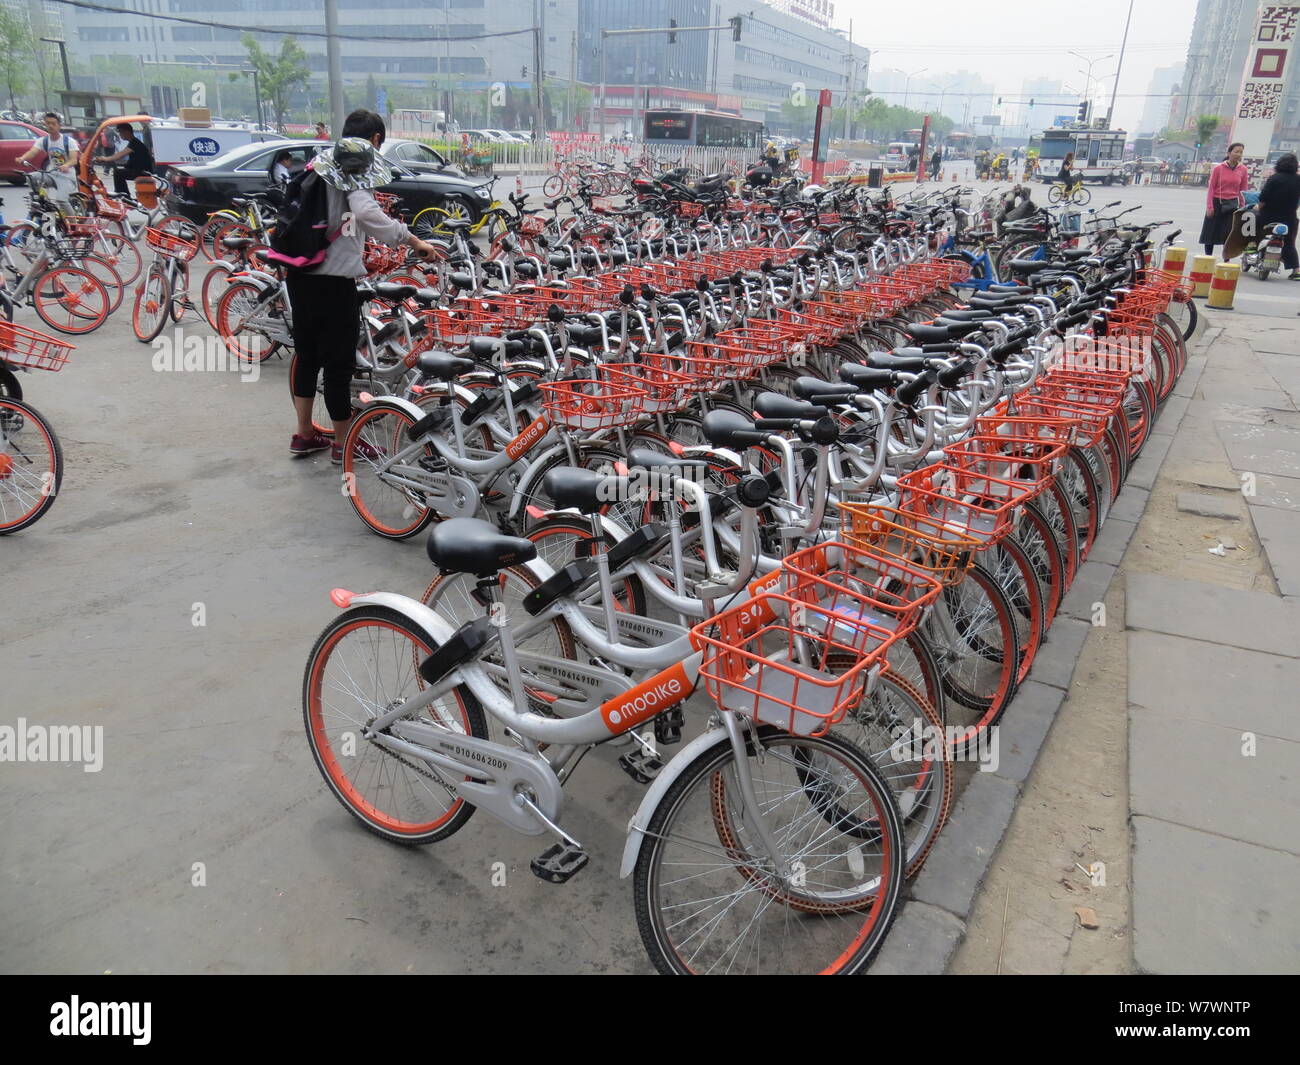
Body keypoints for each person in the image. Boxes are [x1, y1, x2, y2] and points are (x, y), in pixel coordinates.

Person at [287, 109, 439, 461]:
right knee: (339, 365)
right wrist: (411, 239)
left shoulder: (318, 164)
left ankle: (304, 433)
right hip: (332, 281)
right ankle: (344, 444)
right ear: (374, 140)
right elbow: (367, 212)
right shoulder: (353, 168)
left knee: (308, 358)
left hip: (299, 274)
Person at [1199, 141, 1249, 257]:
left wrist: (1243, 207)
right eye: (1236, 151)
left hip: (1232, 204)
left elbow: (1243, 190)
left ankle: (1226, 260)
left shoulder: (1243, 170)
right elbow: (1211, 188)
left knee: (1228, 234)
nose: (1239, 154)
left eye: (1241, 152)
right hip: (1217, 202)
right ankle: (1208, 258)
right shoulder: (1219, 169)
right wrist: (1210, 207)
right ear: (1229, 153)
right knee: (1210, 233)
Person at [17, 111, 79, 204]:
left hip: (66, 177)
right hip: (51, 174)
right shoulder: (43, 141)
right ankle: (41, 201)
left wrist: (66, 165)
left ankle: (72, 219)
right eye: (48, 123)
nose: (50, 126)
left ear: (59, 125)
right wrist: (22, 158)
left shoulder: (69, 141)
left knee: (62, 201)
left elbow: (74, 160)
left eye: (53, 124)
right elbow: (33, 152)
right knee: (31, 177)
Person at [1255, 151, 1300, 279]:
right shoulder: (1298, 180)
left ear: (1279, 164)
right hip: (1289, 219)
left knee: (1257, 231)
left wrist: (1258, 208)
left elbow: (1263, 198)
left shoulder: (1274, 178)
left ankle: (1252, 248)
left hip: (1268, 217)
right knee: (1289, 242)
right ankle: (1296, 270)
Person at [96, 122, 154, 195]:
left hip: (143, 171)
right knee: (119, 171)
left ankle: (123, 196)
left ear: (127, 132)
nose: (120, 135)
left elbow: (120, 155)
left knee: (118, 173)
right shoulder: (133, 142)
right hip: (139, 169)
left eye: (120, 132)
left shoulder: (135, 143)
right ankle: (123, 194)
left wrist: (104, 159)